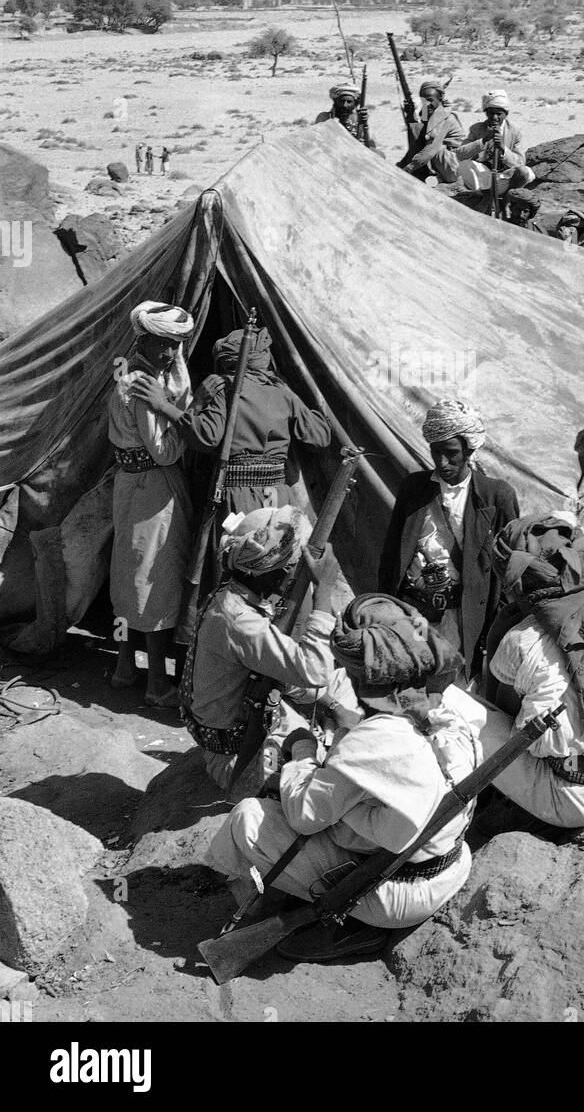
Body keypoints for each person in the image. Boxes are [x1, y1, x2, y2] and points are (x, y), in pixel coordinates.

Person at [205, 592, 480, 963]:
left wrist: (301, 749)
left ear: (358, 676)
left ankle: (347, 924)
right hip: (450, 865)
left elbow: (304, 815)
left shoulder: (377, 738)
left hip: (394, 891)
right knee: (336, 809)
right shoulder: (456, 707)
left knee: (250, 817)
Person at [448, 508, 584, 829]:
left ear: (517, 583)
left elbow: (507, 718)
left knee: (451, 702)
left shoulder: (521, 640)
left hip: (573, 798)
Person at [180, 511, 361, 792]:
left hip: (260, 721)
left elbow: (279, 673)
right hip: (240, 757)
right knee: (329, 786)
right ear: (274, 570)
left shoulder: (232, 596)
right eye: (294, 567)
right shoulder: (240, 621)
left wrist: (334, 708)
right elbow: (313, 671)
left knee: (345, 685)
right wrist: (322, 592)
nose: (294, 574)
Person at [130, 325, 331, 534]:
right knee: (274, 556)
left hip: (239, 499)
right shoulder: (280, 390)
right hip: (280, 498)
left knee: (239, 556)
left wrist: (165, 407)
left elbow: (207, 438)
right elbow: (319, 437)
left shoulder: (220, 387)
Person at [378, 399, 519, 681]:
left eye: (451, 453)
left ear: (469, 449)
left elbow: (508, 570)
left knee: (448, 689)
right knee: (407, 678)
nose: (443, 462)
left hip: (460, 618)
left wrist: (494, 631)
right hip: (413, 609)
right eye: (436, 452)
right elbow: (391, 553)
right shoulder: (414, 488)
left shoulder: (496, 496)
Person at [107, 301, 195, 708]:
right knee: (155, 578)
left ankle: (125, 667)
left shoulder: (128, 373)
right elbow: (163, 451)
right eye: (164, 344)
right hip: (154, 487)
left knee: (128, 574)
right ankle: (157, 682)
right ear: (143, 339)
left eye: (176, 345)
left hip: (130, 484)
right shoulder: (144, 385)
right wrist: (179, 418)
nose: (171, 353)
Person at [455, 91, 535, 211]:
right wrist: (484, 140)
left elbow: (520, 162)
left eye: (499, 114)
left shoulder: (514, 131)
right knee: (463, 165)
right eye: (491, 113)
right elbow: (460, 154)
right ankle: (488, 196)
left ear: (506, 114)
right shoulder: (477, 129)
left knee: (525, 172)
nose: (494, 118)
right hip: (483, 177)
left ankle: (507, 198)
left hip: (504, 178)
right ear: (486, 113)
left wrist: (503, 149)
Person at [399, 80, 465, 184]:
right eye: (424, 100)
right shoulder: (427, 111)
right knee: (416, 129)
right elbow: (417, 132)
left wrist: (409, 168)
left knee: (435, 147)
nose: (427, 104)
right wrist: (410, 114)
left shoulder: (444, 116)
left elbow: (432, 148)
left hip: (454, 164)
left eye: (430, 100)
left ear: (440, 99)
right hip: (438, 162)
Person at [314, 83, 376, 149]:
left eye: (349, 102)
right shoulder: (325, 117)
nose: (345, 105)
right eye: (342, 101)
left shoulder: (359, 119)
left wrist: (364, 125)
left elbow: (370, 146)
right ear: (336, 102)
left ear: (355, 103)